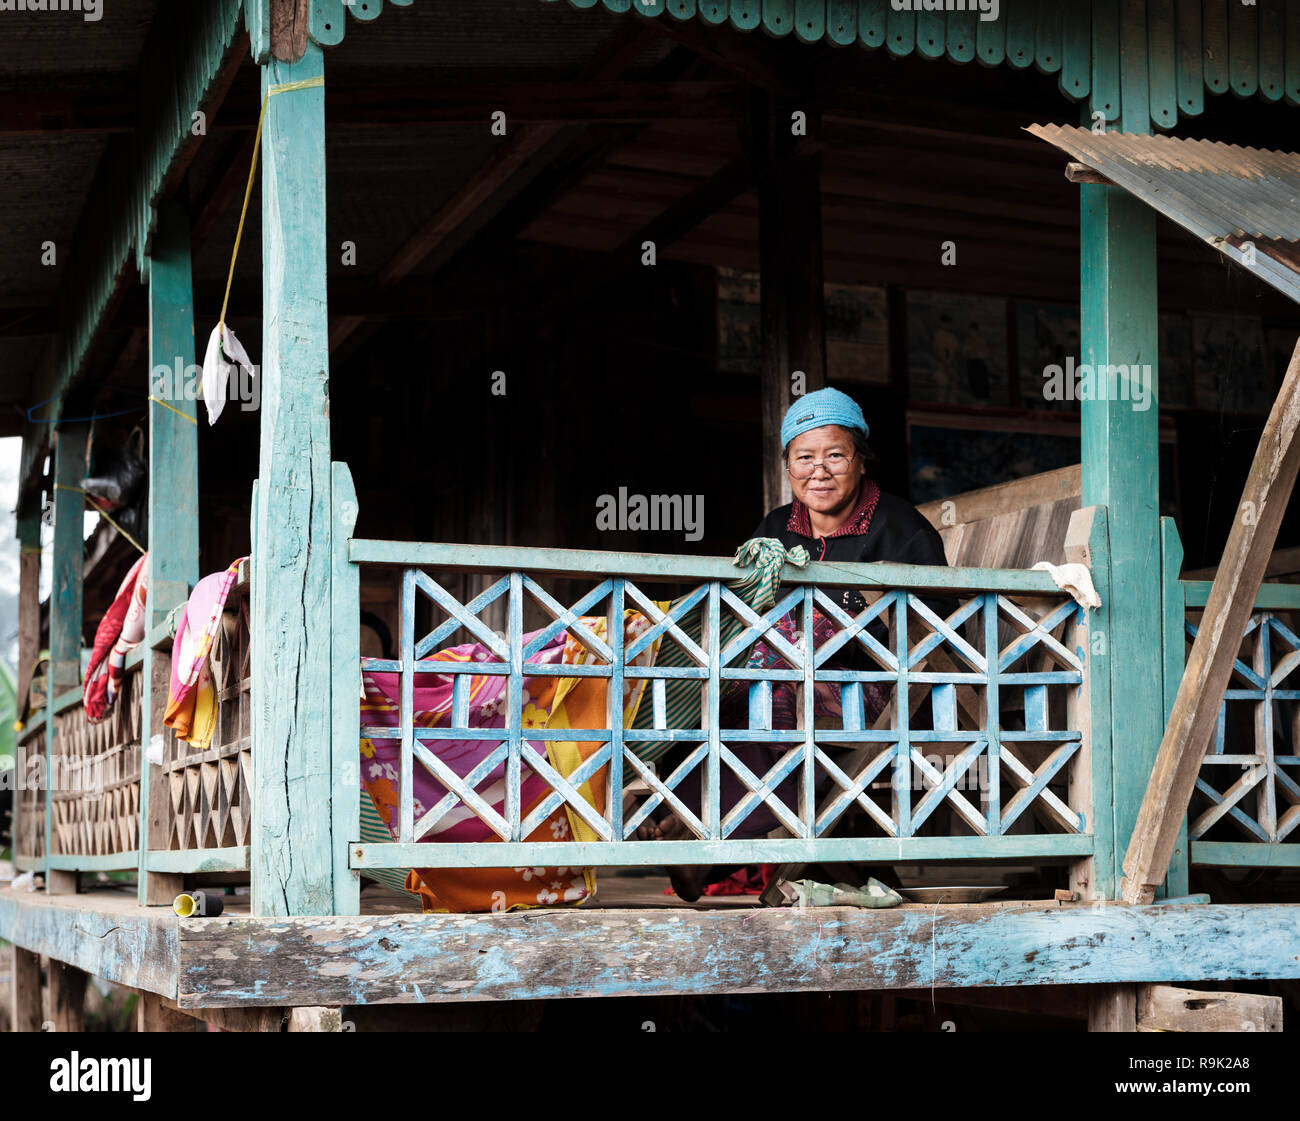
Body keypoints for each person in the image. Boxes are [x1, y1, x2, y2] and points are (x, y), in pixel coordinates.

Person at [639, 387, 952, 900]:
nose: (819, 471)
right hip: (780, 674)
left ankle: (700, 835)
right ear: (788, 466)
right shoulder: (776, 528)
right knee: (707, 670)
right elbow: (744, 602)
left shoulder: (903, 529)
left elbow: (937, 625)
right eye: (804, 458)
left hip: (877, 687)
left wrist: (844, 614)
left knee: (772, 666)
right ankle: (695, 825)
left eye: (835, 455)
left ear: (860, 461)